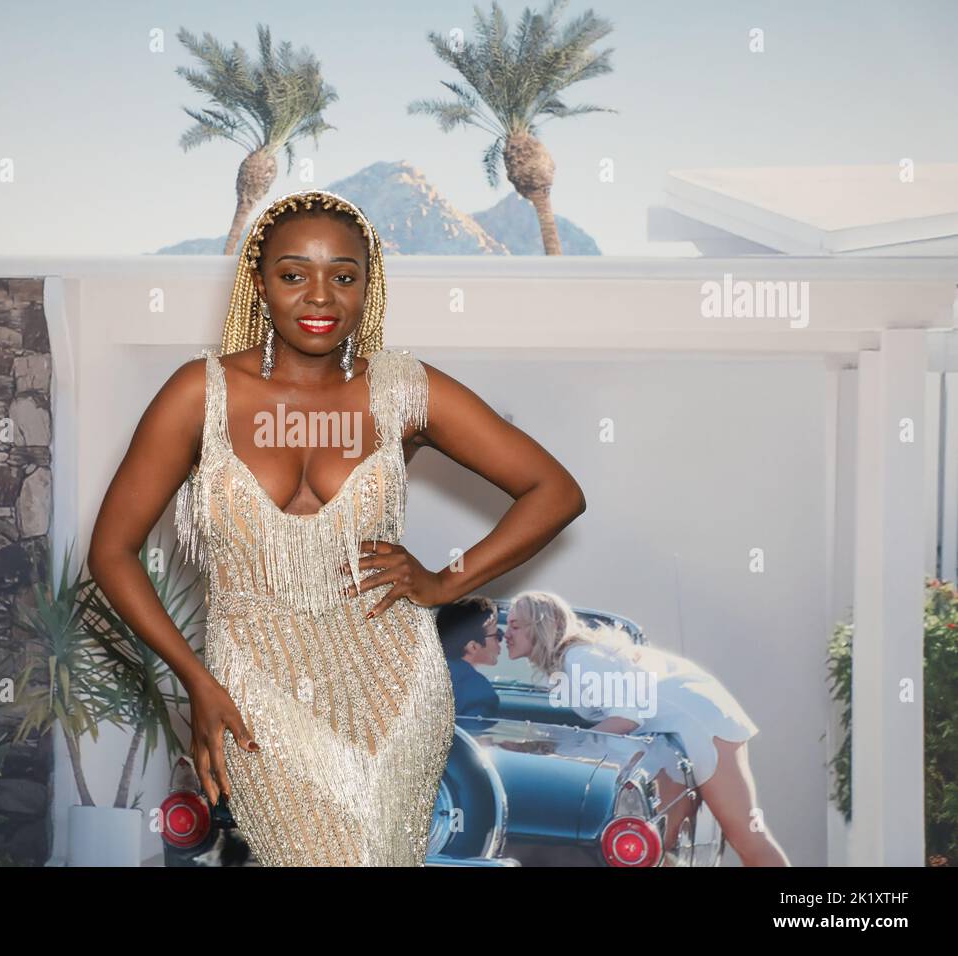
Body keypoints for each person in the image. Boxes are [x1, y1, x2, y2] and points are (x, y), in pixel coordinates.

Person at [87, 189, 586, 866]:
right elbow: (112, 551)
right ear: (259, 284)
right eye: (294, 275)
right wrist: (198, 681)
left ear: (365, 288)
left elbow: (553, 491)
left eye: (343, 277)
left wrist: (445, 581)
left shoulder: (404, 389)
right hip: (252, 686)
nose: (319, 298)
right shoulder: (196, 395)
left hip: (393, 682)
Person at [502, 590, 791, 866]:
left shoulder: (581, 658)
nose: (506, 633)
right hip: (680, 729)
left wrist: (568, 748)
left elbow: (627, 718)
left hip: (702, 721)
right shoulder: (569, 662)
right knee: (668, 846)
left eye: (515, 625)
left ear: (541, 627)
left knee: (748, 839)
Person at [435, 596, 502, 717]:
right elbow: (473, 734)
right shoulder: (479, 692)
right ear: (472, 647)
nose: (500, 641)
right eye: (497, 635)